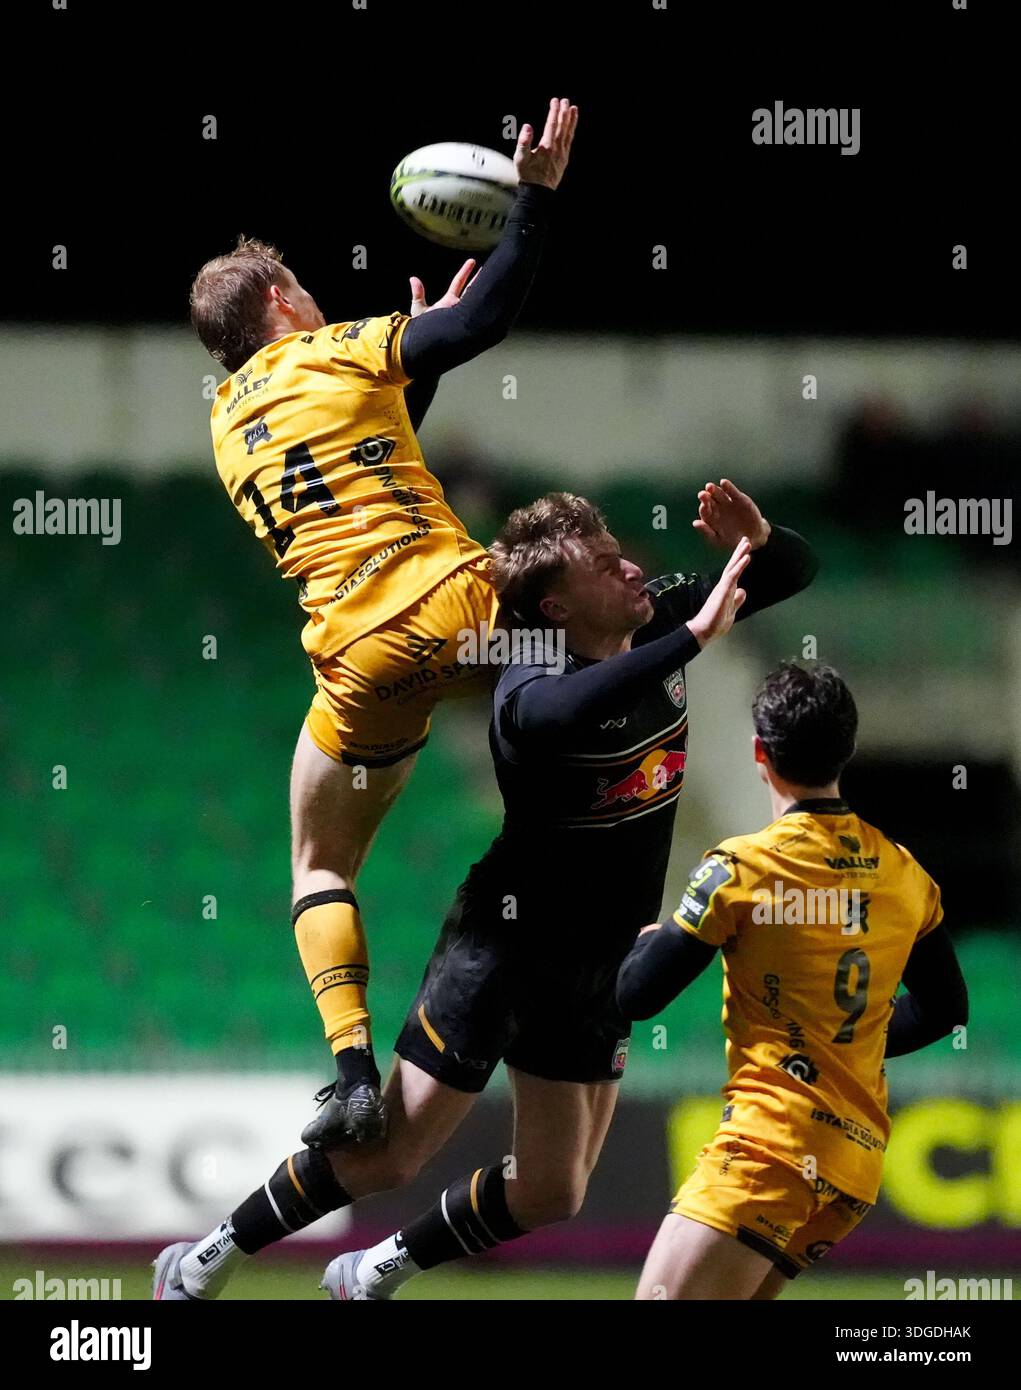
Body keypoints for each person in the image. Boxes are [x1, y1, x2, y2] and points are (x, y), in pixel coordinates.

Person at [150, 478, 817, 1300]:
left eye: (622, 555)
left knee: (553, 1191)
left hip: (601, 958)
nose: (633, 571)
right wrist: (692, 639)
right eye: (605, 567)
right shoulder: (527, 685)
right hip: (503, 947)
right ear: (555, 613)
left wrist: (757, 537)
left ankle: (369, 1271)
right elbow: (561, 714)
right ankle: (205, 1257)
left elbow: (793, 570)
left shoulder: (663, 619)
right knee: (389, 1153)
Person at [187, 98, 578, 1148]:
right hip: (461, 605)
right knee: (604, 589)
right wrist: (531, 203)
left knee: (319, 862)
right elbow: (487, 318)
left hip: (360, 663)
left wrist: (418, 368)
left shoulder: (225, 422)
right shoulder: (338, 350)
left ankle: (353, 1073)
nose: (316, 299)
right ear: (279, 297)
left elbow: (364, 459)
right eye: (303, 288)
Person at [616, 661, 969, 1300]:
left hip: (770, 1147)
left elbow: (637, 996)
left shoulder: (743, 869)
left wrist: (650, 940)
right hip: (854, 1168)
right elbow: (947, 1007)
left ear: (760, 752)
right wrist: (845, 1048)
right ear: (848, 749)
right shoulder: (904, 871)